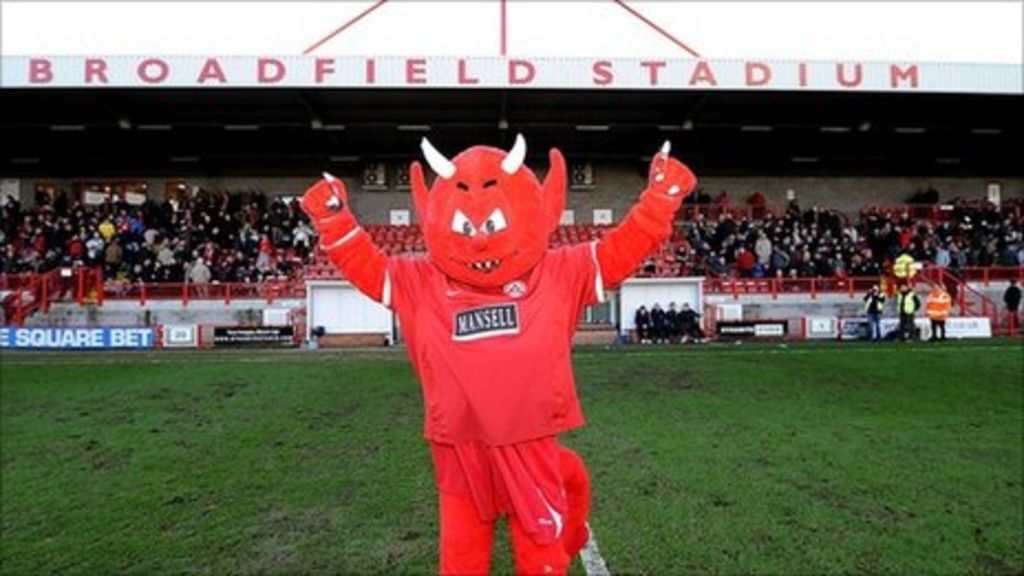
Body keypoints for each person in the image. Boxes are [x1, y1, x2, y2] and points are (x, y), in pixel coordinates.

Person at [301, 135, 697, 574]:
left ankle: (568, 506)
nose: (478, 243)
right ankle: (567, 487)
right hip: (460, 448)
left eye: (490, 225)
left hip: (529, 443)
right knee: (462, 557)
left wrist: (659, 200)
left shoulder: (557, 272)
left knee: (540, 556)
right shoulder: (422, 281)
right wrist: (334, 220)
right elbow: (369, 268)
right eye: (466, 228)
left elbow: (618, 252)